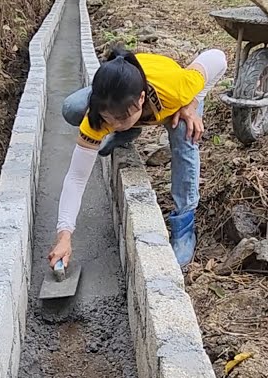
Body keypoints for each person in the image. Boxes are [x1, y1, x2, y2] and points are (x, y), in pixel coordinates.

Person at [47, 46, 227, 269]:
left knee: (185, 131)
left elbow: (218, 58)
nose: (112, 125)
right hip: (124, 95)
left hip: (170, 102)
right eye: (108, 120)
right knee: (73, 107)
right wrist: (64, 235)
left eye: (121, 120)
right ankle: (129, 132)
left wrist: (192, 104)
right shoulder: (98, 116)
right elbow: (76, 178)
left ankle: (185, 224)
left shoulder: (178, 87)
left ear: (141, 99)